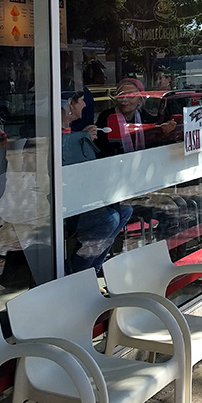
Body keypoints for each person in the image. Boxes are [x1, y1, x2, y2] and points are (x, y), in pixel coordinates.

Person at [61, 92, 133, 273]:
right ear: (70, 104)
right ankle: (77, 272)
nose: (85, 105)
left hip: (81, 199)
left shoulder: (72, 132)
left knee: (125, 211)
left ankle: (91, 269)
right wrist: (81, 140)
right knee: (109, 220)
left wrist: (83, 139)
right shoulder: (58, 135)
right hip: (64, 207)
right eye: (82, 101)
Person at [96, 77, 176, 157]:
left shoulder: (145, 117)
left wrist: (166, 132)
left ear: (140, 100)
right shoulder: (106, 117)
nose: (124, 100)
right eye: (121, 95)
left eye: (130, 96)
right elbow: (101, 147)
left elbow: (155, 141)